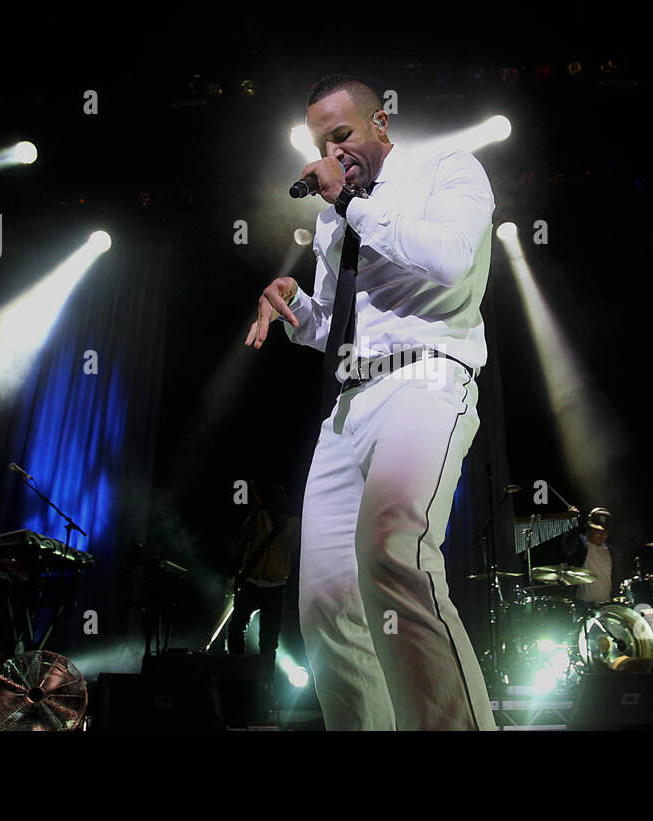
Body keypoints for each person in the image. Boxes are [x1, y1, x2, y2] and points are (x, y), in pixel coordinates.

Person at [242, 74, 495, 730]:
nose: (333, 153)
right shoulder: (334, 223)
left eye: (342, 136)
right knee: (326, 601)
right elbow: (339, 327)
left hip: (429, 379)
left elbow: (453, 258)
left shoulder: (447, 168)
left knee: (394, 553)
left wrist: (352, 208)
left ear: (380, 121)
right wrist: (299, 310)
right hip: (351, 403)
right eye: (321, 144)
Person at [228, 483, 299, 683]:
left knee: (269, 641)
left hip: (275, 585)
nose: (279, 498)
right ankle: (236, 673)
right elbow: (246, 536)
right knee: (236, 628)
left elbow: (291, 545)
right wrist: (255, 510)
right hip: (251, 581)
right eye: (276, 494)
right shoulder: (257, 518)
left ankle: (265, 684)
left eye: (283, 494)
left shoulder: (294, 523)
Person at [560, 506, 615, 603]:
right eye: (597, 531)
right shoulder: (580, 546)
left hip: (606, 605)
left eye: (605, 532)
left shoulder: (610, 550)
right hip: (583, 606)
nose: (602, 535)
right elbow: (569, 547)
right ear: (589, 528)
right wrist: (573, 520)